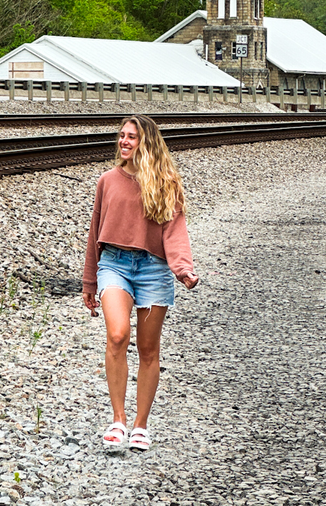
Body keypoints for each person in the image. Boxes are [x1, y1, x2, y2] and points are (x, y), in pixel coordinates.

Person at [82, 115, 199, 452]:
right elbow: (95, 233)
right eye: (121, 136)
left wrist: (183, 269)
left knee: (149, 351)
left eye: (131, 136)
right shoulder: (107, 180)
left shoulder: (166, 183)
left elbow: (174, 233)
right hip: (114, 265)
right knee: (118, 334)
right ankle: (118, 419)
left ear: (146, 142)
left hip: (154, 270)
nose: (124, 141)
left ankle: (140, 426)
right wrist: (90, 279)